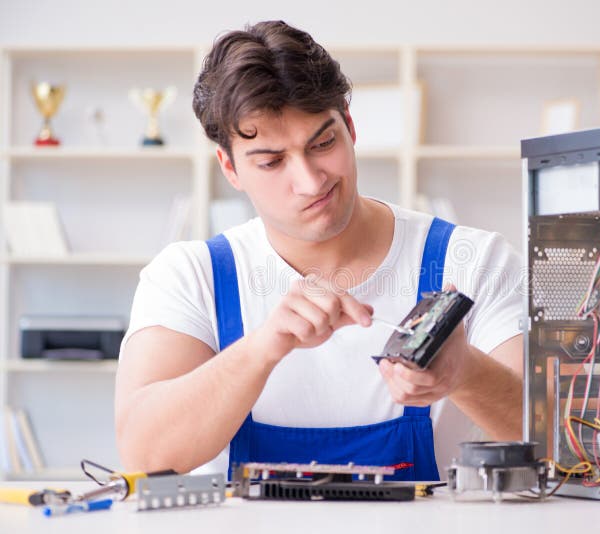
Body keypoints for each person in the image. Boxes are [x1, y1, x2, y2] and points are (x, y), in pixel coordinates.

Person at [114, 20, 523, 481]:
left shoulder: (473, 260)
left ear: (349, 126)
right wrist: (260, 351)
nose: (311, 182)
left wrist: (464, 373)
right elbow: (143, 455)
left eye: (323, 143)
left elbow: (554, 443)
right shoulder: (191, 276)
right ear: (229, 167)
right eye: (271, 161)